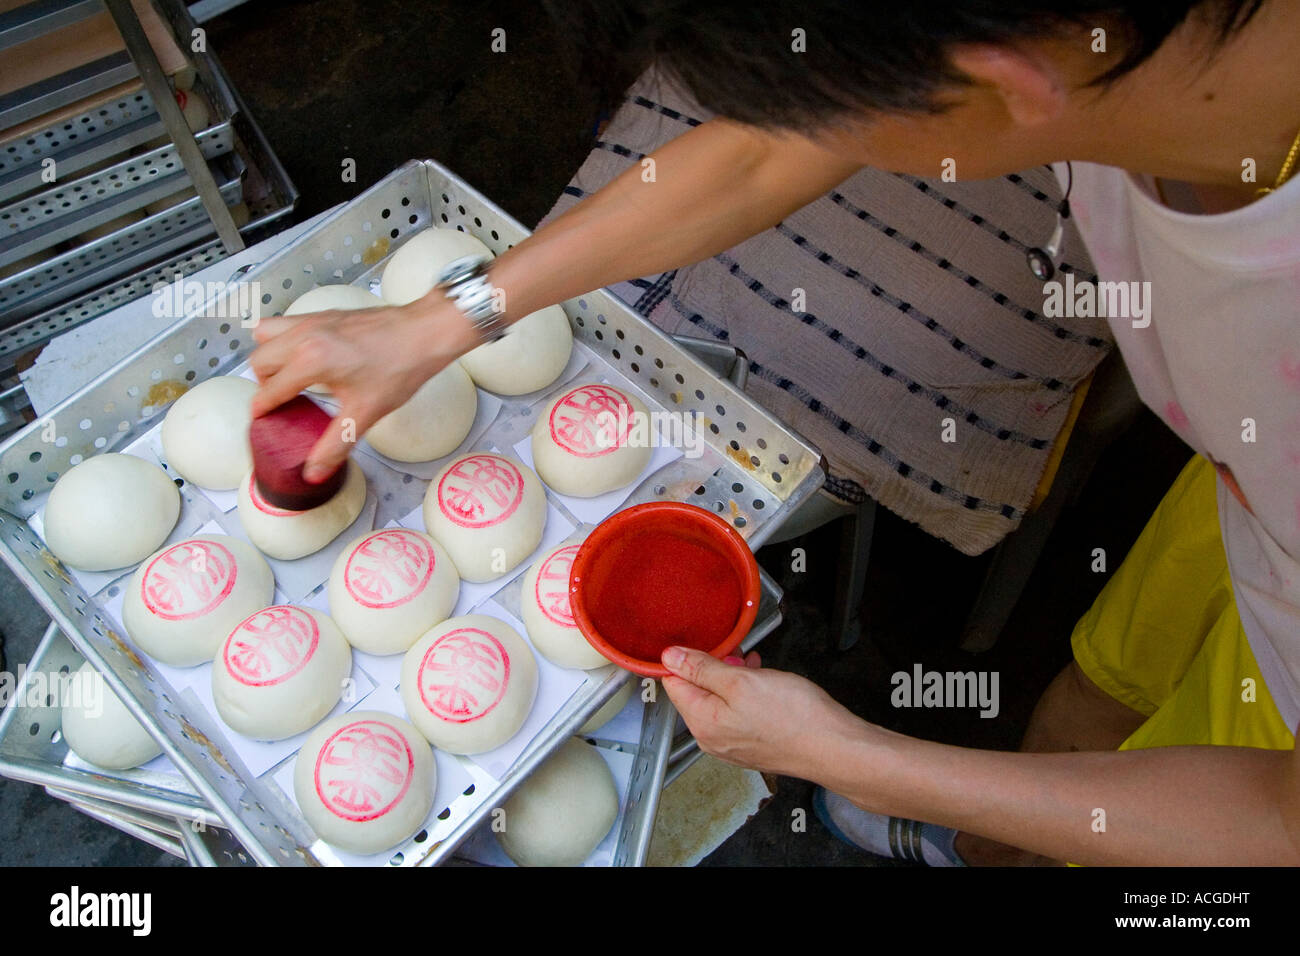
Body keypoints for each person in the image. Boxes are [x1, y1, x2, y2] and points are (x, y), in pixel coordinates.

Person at [250, 0, 1300, 864]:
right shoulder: (1135, 55)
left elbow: (1279, 822)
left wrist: (853, 754)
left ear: (1002, 86)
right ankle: (993, 839)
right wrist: (447, 318)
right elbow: (763, 158)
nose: (812, 138)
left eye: (840, 114)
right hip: (1236, 498)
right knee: (1112, 678)